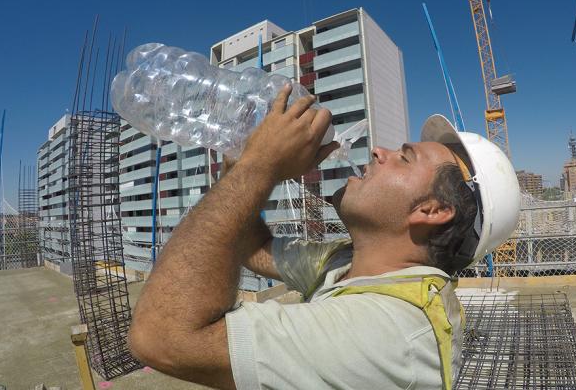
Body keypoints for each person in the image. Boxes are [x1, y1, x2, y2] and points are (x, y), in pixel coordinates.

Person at [128, 84, 520, 389]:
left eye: (404, 157)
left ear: (432, 211)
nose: (380, 152)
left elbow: (161, 337)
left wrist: (258, 168)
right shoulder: (350, 263)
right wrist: (245, 170)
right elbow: (254, 249)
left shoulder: (386, 334)